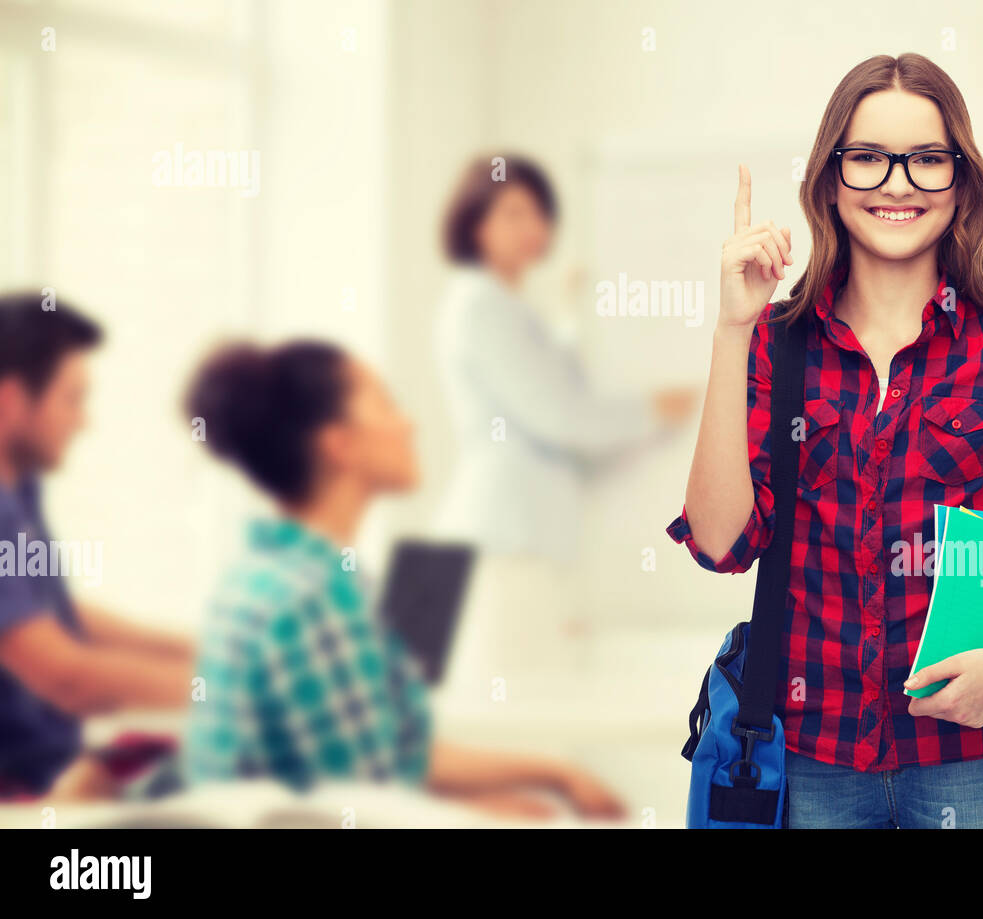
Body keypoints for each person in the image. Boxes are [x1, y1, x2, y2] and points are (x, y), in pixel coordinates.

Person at [666, 53, 983, 829]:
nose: (898, 183)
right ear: (831, 179)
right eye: (869, 158)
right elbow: (721, 543)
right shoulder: (778, 345)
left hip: (974, 766)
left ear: (962, 184)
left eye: (927, 159)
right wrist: (733, 326)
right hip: (812, 762)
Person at [181, 338, 624, 820]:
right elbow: (364, 809)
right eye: (385, 404)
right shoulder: (316, 598)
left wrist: (552, 773)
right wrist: (491, 815)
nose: (408, 423)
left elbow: (394, 760)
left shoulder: (268, 574)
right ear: (339, 444)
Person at [433, 153, 693, 683]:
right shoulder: (479, 305)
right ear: (474, 221)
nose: (533, 226)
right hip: (502, 543)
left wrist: (575, 316)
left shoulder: (508, 306)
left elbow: (555, 385)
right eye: (513, 213)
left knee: (525, 710)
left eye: (538, 213)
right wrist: (654, 410)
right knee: (514, 718)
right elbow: (560, 414)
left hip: (516, 542)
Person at [0, 294, 194, 800]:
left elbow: (49, 611)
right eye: (73, 399)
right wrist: (231, 685)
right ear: (12, 399)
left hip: (60, 769)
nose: (84, 422)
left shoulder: (18, 491)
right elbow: (64, 676)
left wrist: (196, 648)